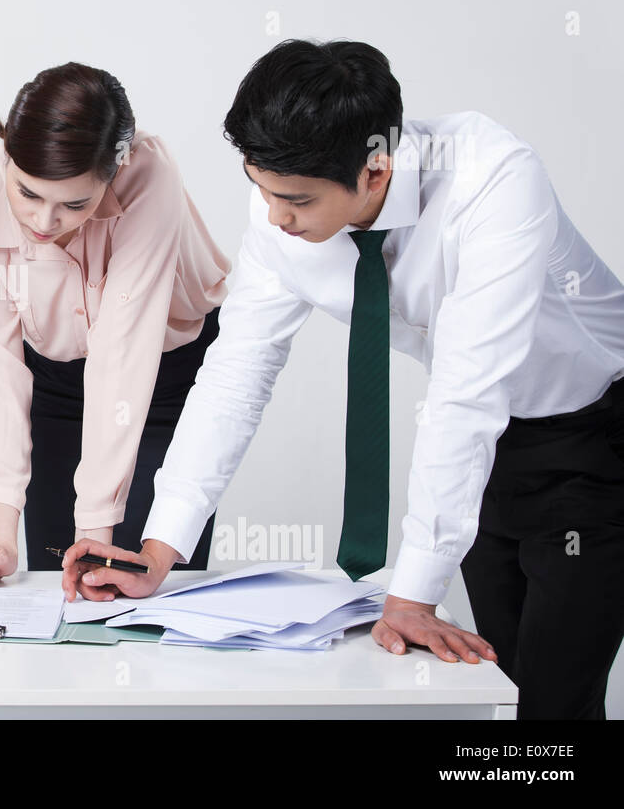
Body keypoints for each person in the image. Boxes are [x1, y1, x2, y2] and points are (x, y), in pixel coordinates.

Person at [62, 38, 624, 720]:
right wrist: (159, 549)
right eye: (260, 189)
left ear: (376, 173)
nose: (274, 216)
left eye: (294, 199)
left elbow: (466, 391)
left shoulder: (494, 179)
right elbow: (238, 371)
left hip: (595, 438)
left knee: (554, 708)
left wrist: (413, 592)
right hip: (492, 452)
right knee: (495, 685)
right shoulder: (282, 207)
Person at [0, 62, 230, 586]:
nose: (44, 222)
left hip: (168, 376)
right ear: (7, 151)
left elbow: (123, 351)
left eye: (74, 203)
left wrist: (98, 530)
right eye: (27, 193)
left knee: (142, 586)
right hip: (52, 379)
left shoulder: (149, 177)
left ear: (115, 170)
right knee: (57, 576)